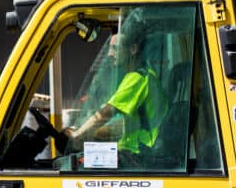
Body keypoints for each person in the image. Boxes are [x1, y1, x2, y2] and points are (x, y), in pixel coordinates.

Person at [63, 10, 168, 157]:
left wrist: (76, 137)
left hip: (139, 153)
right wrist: (86, 132)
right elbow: (122, 125)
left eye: (115, 48)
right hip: (133, 149)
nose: (110, 54)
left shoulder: (138, 78)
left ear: (133, 49)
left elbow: (105, 113)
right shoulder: (144, 75)